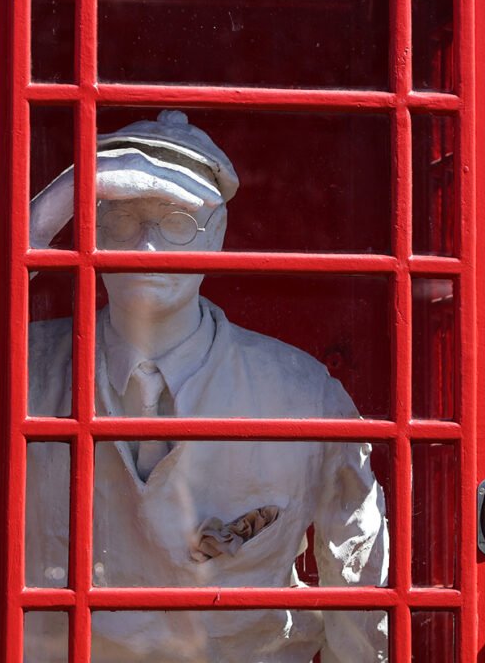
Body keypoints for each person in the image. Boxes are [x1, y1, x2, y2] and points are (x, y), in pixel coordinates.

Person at [24, 110, 389, 662]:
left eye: (174, 220)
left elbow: (360, 592)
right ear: (88, 224)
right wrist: (45, 216)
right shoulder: (22, 366)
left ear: (216, 233)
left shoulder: (301, 397)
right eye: (121, 219)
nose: (146, 248)